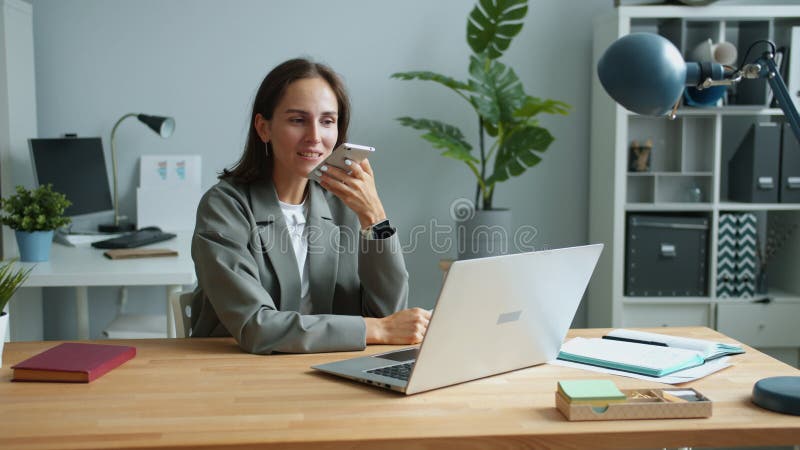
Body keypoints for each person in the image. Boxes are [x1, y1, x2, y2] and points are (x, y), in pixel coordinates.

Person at [189, 58, 430, 354]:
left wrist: (374, 217)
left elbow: (387, 314)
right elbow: (256, 327)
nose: (315, 137)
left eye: (327, 121)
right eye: (297, 120)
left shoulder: (343, 204)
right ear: (263, 128)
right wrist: (377, 329)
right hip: (235, 371)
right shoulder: (224, 208)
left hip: (322, 366)